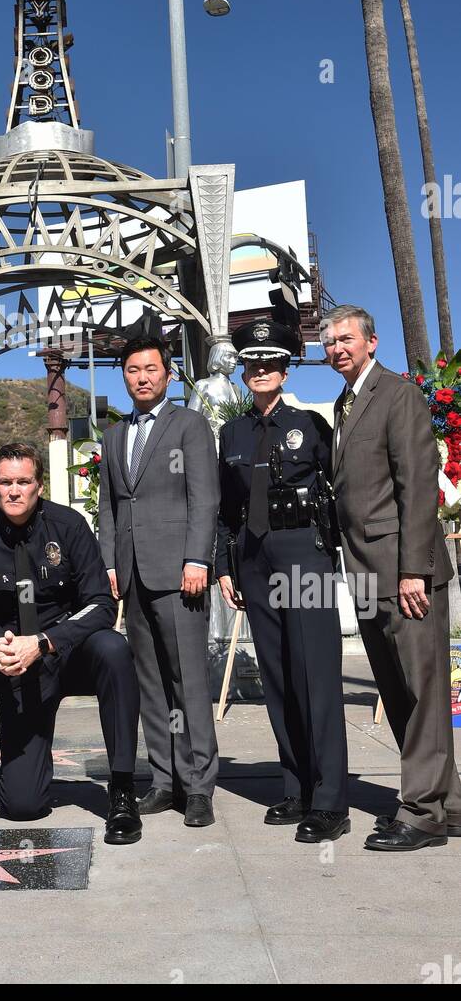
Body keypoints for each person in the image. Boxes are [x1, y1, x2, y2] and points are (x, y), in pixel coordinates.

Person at [321, 304, 461, 852]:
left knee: (423, 693)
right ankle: (447, 804)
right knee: (401, 693)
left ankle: (421, 810)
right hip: (363, 573)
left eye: (347, 339)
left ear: (372, 342)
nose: (337, 348)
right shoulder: (343, 404)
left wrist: (412, 572)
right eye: (331, 342)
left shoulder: (397, 395)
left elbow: (418, 487)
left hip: (405, 576)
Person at [0, 443, 142, 843]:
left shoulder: (68, 525)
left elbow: (100, 604)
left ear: (40, 485)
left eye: (24, 481)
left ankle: (123, 788)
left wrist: (43, 642)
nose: (14, 491)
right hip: (14, 661)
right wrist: (0, 644)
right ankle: (31, 772)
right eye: (6, 482)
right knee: (22, 807)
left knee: (114, 650)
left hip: (66, 648)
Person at [216, 319, 349, 843]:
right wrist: (226, 566)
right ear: (244, 370)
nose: (261, 370)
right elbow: (226, 511)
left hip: (303, 558)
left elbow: (340, 490)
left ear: (285, 368)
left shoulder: (311, 425)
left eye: (270, 362)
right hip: (254, 562)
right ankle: (296, 788)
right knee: (277, 677)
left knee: (314, 674)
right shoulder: (232, 432)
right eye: (253, 363)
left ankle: (331, 801)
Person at [98, 333, 220, 826]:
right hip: (131, 573)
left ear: (167, 373)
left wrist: (198, 558)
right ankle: (164, 778)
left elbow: (204, 498)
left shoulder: (189, 425)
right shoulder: (113, 435)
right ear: (124, 376)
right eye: (132, 370)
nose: (142, 378)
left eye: (151, 369)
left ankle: (198, 786)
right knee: (151, 684)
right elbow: (109, 505)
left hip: (179, 573)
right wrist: (109, 563)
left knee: (188, 681)